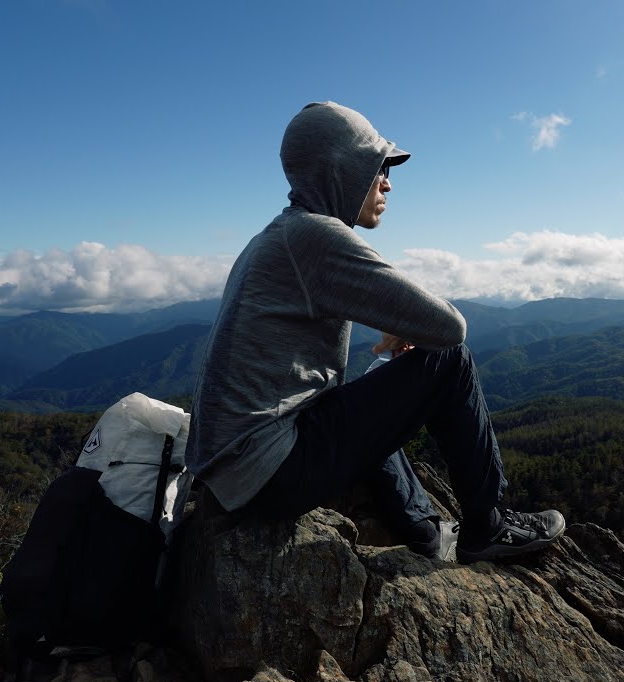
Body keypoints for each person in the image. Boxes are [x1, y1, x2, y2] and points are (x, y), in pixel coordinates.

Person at [187, 101, 564, 562]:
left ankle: (425, 533)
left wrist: (388, 352)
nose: (387, 181)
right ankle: (488, 525)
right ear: (341, 170)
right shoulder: (314, 237)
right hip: (267, 469)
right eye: (378, 167)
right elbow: (449, 329)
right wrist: (402, 338)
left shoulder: (276, 237)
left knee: (360, 394)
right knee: (450, 363)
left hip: (238, 466)